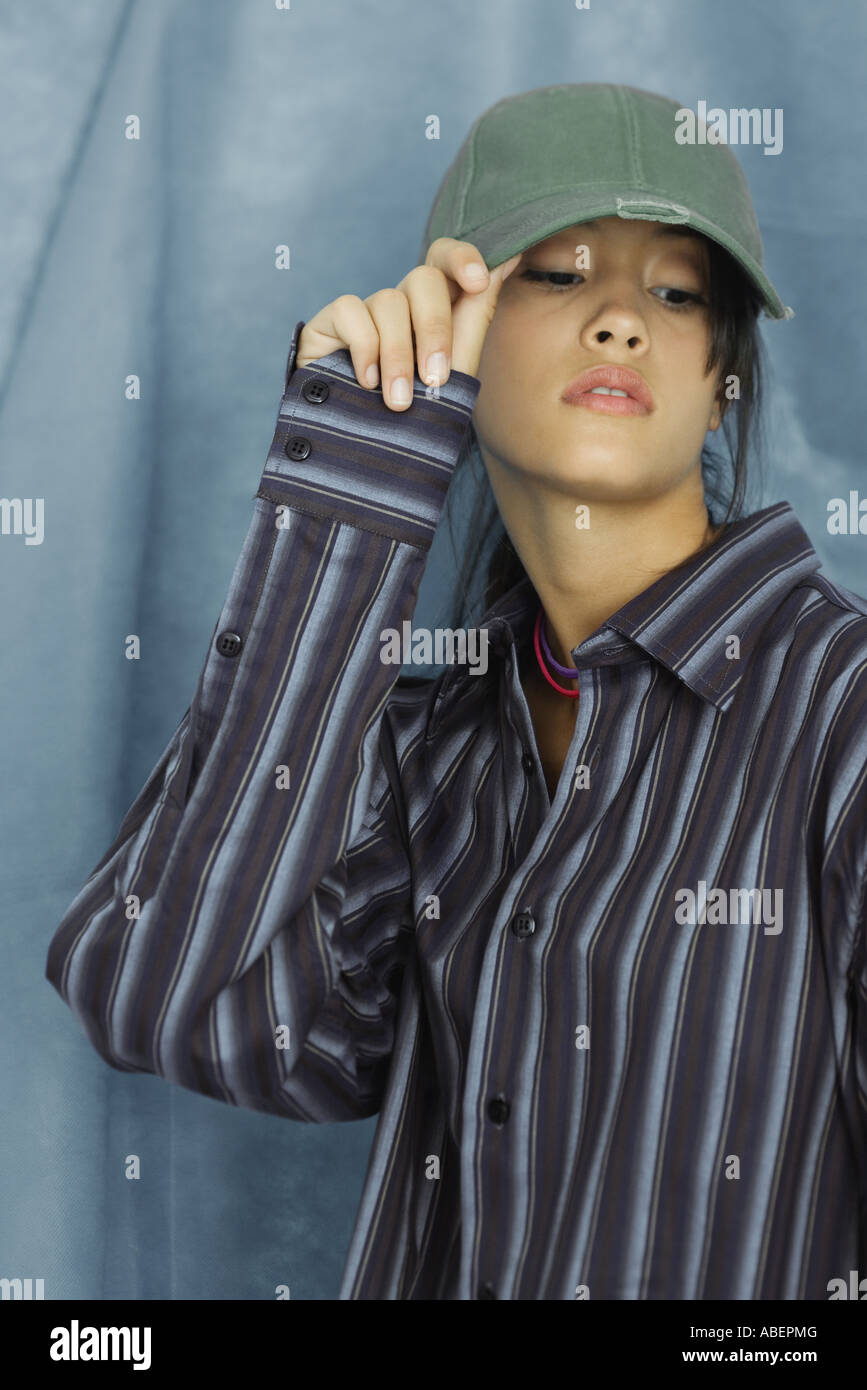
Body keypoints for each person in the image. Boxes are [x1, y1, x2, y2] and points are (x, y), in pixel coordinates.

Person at [46, 83, 867, 1300]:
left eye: (679, 291)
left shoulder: (842, 716)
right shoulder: (434, 742)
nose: (624, 322)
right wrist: (352, 494)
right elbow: (165, 999)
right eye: (560, 272)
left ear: (721, 379)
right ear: (455, 331)